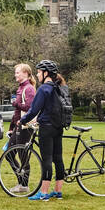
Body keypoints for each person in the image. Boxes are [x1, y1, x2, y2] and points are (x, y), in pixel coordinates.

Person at [22, 60, 66, 201]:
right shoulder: (58, 87)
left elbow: (34, 109)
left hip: (46, 128)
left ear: (46, 73)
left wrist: (22, 120)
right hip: (58, 126)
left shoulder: (44, 89)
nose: (37, 74)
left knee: (46, 159)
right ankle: (57, 191)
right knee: (58, 159)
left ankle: (44, 193)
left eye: (39, 72)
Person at [6, 63, 36, 195]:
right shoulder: (21, 88)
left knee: (23, 155)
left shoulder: (28, 88)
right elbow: (17, 111)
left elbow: (29, 107)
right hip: (18, 126)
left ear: (25, 73)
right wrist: (12, 127)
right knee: (9, 153)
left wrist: (15, 103)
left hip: (25, 126)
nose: (15, 75)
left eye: (17, 72)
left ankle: (24, 184)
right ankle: (21, 180)